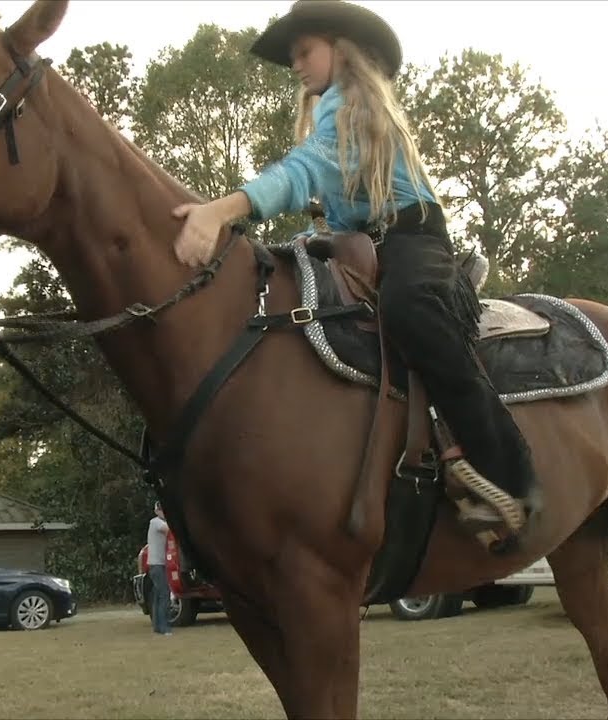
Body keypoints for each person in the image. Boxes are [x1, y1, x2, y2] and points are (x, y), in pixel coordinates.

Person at [170, 0, 540, 526]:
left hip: (412, 237)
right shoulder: (328, 108)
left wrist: (224, 210)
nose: (295, 65)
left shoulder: (354, 106)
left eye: (304, 51)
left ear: (340, 50)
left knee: (411, 309)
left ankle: (511, 477)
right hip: (359, 242)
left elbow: (305, 171)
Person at [146, 501, 172, 635]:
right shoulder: (155, 522)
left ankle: (157, 626)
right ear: (156, 511)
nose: (163, 512)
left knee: (157, 597)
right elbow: (168, 530)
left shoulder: (160, 522)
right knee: (164, 595)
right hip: (157, 565)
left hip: (158, 564)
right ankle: (163, 627)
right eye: (160, 510)